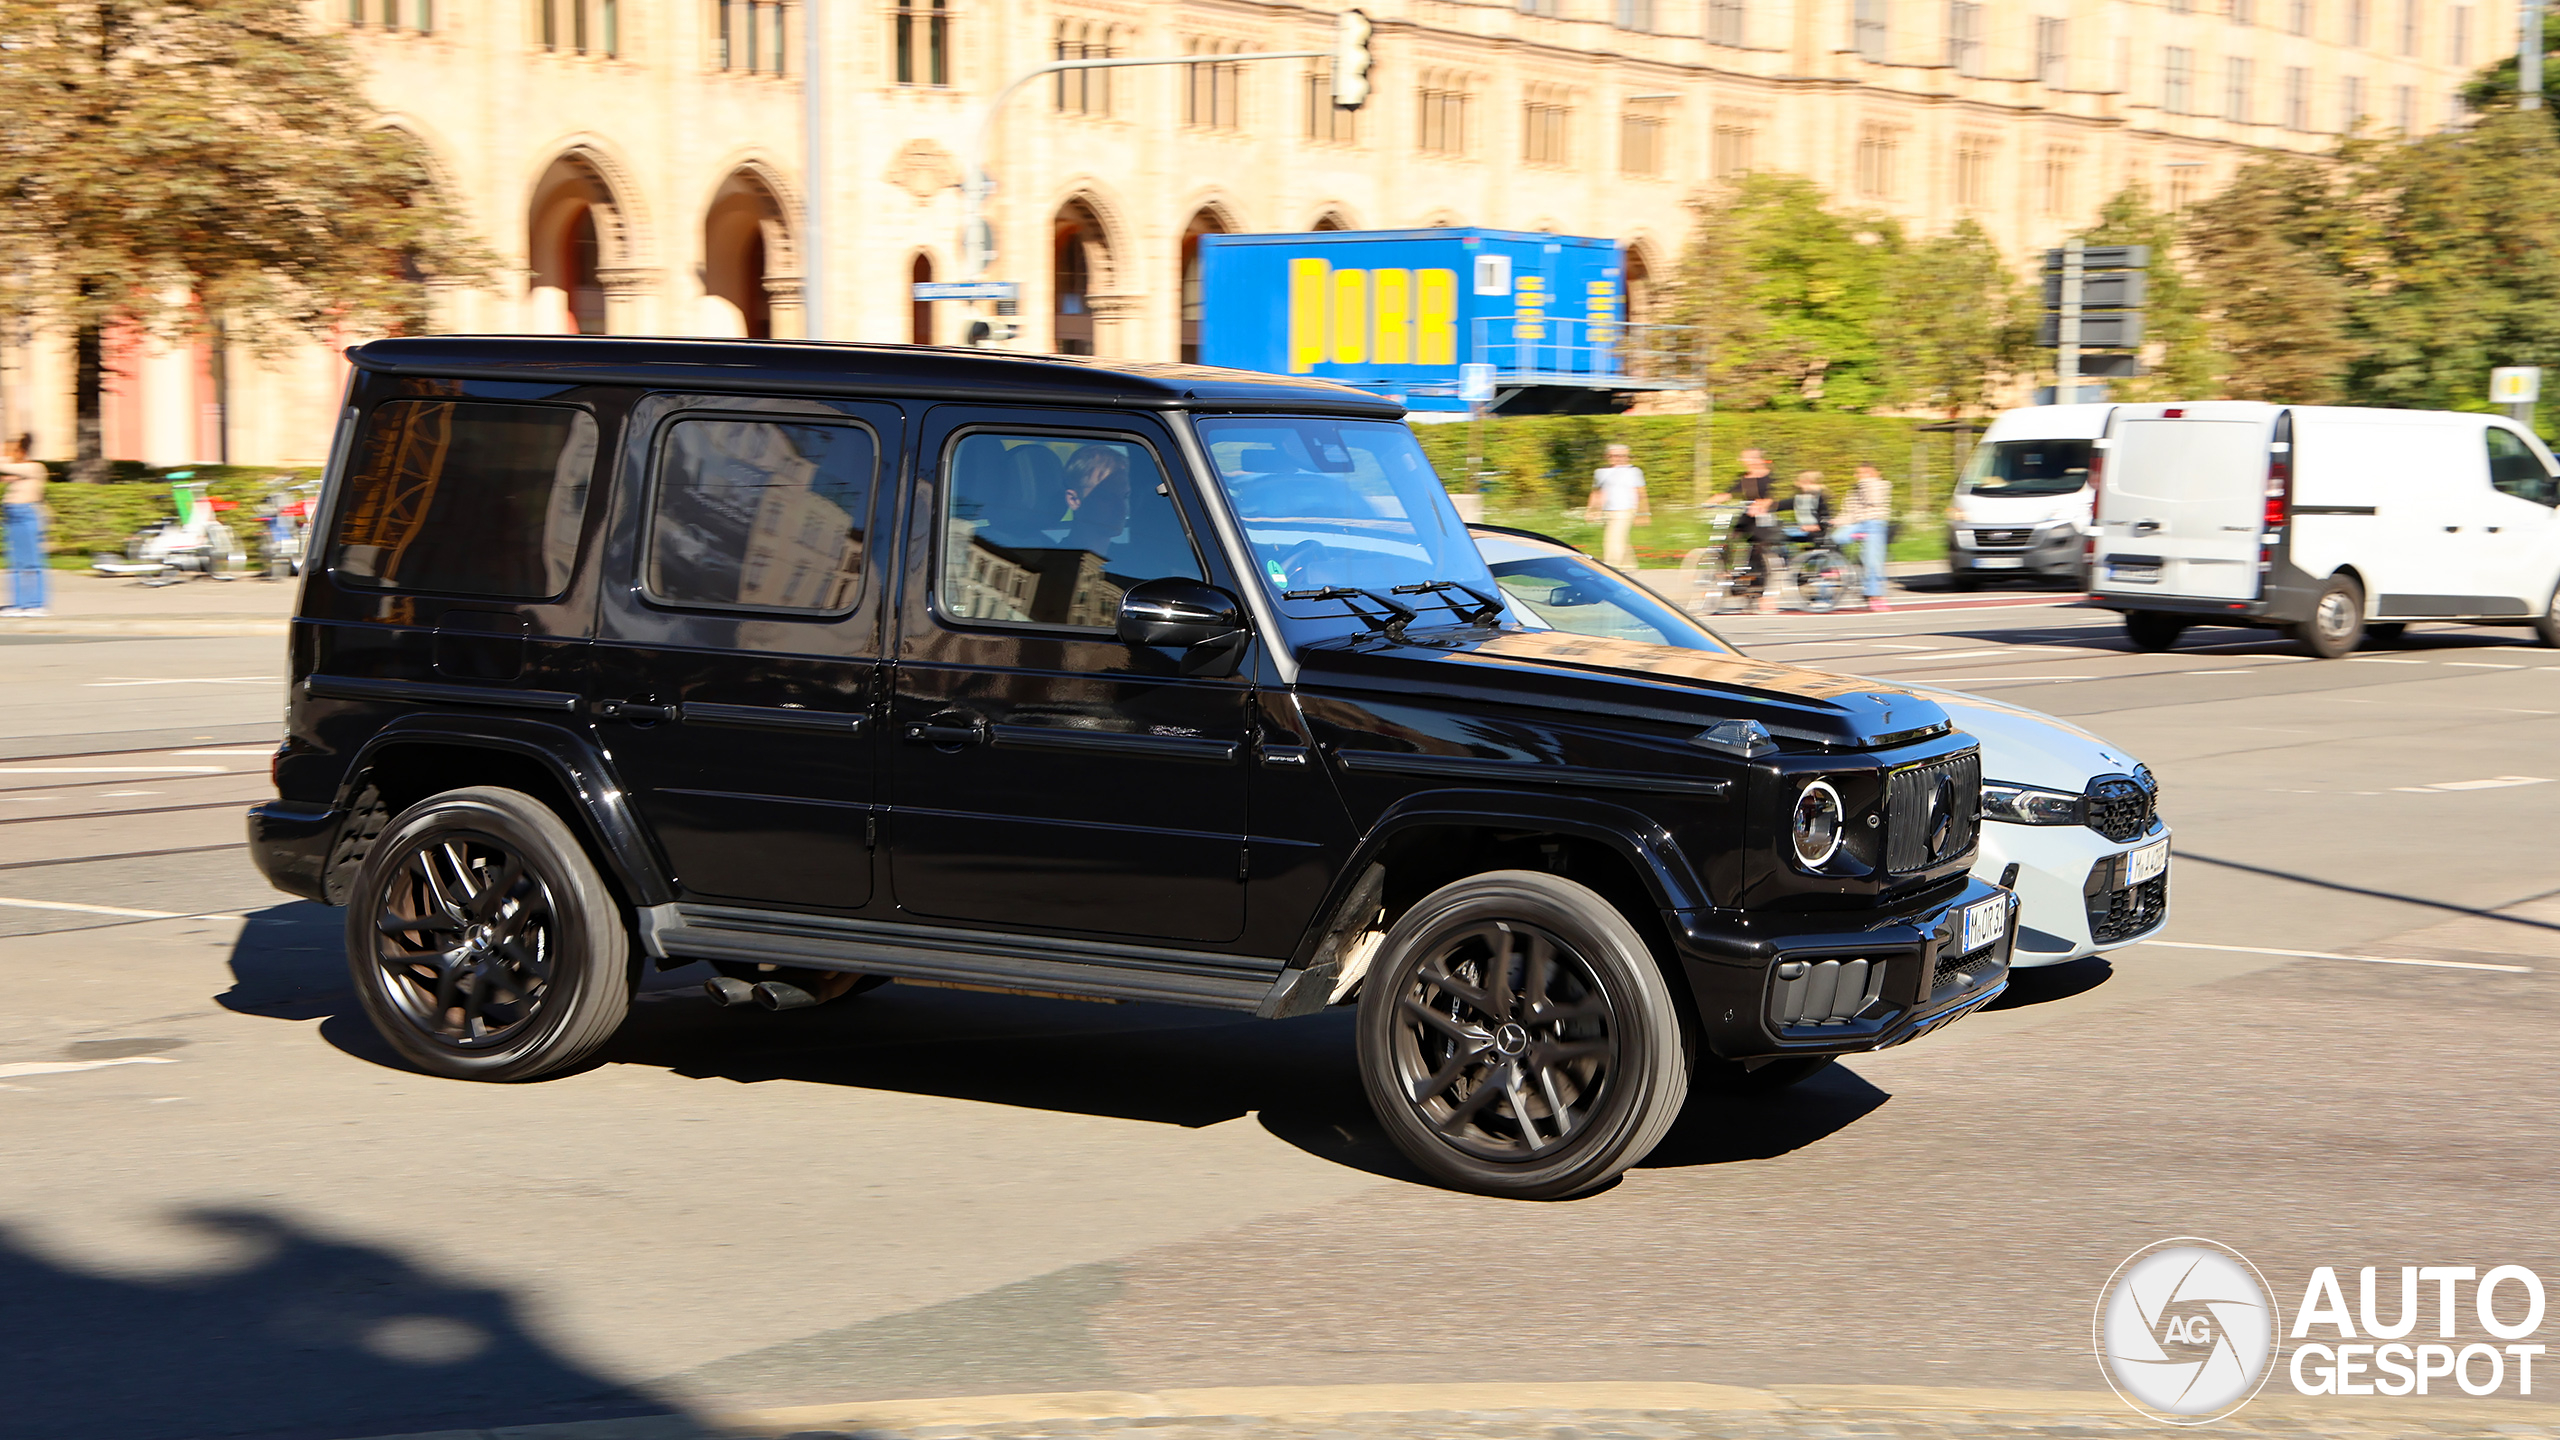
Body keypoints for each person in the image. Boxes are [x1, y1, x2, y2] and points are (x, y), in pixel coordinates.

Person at [1726, 448, 1779, 614]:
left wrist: (1763, 504)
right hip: (1747, 516)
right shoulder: (1745, 478)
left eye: (1747, 459)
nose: (1744, 462)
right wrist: (1711, 501)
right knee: (1727, 537)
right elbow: (1728, 493)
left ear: (1757, 460)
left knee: (1758, 551)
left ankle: (1758, 593)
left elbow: (1773, 496)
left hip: (1763, 518)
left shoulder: (1770, 477)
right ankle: (1729, 572)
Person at [1835, 460, 1892, 613]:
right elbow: (1849, 512)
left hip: (1875, 524)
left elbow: (1874, 500)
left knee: (1873, 563)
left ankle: (1876, 596)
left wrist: (1867, 481)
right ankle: (1838, 567)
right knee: (1836, 537)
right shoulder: (1855, 489)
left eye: (1861, 473)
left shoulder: (1881, 485)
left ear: (1872, 473)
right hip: (1858, 524)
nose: (1857, 476)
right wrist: (1838, 521)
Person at [1583, 443, 1649, 571]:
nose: (1618, 458)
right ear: (1607, 456)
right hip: (1608, 511)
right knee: (1619, 539)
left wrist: (1643, 513)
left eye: (1622, 456)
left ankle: (1611, 568)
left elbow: (1641, 493)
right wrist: (1592, 510)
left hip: (1625, 510)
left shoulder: (1634, 472)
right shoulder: (1601, 472)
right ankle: (1629, 567)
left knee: (1613, 540)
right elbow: (1598, 492)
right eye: (1614, 455)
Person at [2, 434, 47, 618]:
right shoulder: (20, 473)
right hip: (14, 517)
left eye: (13, 451)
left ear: (22, 451)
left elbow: (4, 465)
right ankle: (21, 604)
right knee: (17, 562)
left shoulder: (34, 467)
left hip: (25, 516)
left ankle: (35, 605)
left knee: (30, 562)